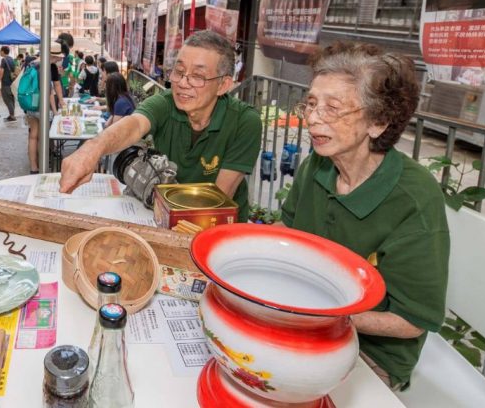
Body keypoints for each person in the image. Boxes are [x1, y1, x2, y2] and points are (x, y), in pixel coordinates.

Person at [280, 42, 449, 390]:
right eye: (311, 103)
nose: (312, 118)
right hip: (303, 320)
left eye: (332, 108)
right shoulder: (318, 164)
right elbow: (288, 230)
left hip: (370, 352)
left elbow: (412, 319)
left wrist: (316, 316)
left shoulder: (414, 197)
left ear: (378, 122)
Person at [60, 31, 262, 221]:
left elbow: (216, 201)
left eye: (198, 76)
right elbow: (134, 124)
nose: (183, 83)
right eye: (179, 71)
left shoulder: (244, 121)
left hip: (215, 229)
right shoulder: (166, 103)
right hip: (165, 213)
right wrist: (92, 149)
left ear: (223, 85)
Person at [25, 43, 66, 174]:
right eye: (56, 58)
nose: (57, 61)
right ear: (51, 56)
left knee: (33, 136)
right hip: (43, 107)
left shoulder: (31, 63)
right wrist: (55, 110)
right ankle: (43, 165)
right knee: (44, 136)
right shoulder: (47, 67)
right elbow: (50, 92)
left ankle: (33, 167)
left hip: (30, 104)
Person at [0, 45, 17, 122]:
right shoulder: (12, 59)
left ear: (3, 51)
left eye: (0, 51)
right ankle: (11, 114)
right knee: (11, 99)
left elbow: (1, 71)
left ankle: (12, 116)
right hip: (12, 83)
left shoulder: (4, 60)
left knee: (7, 99)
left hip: (5, 83)